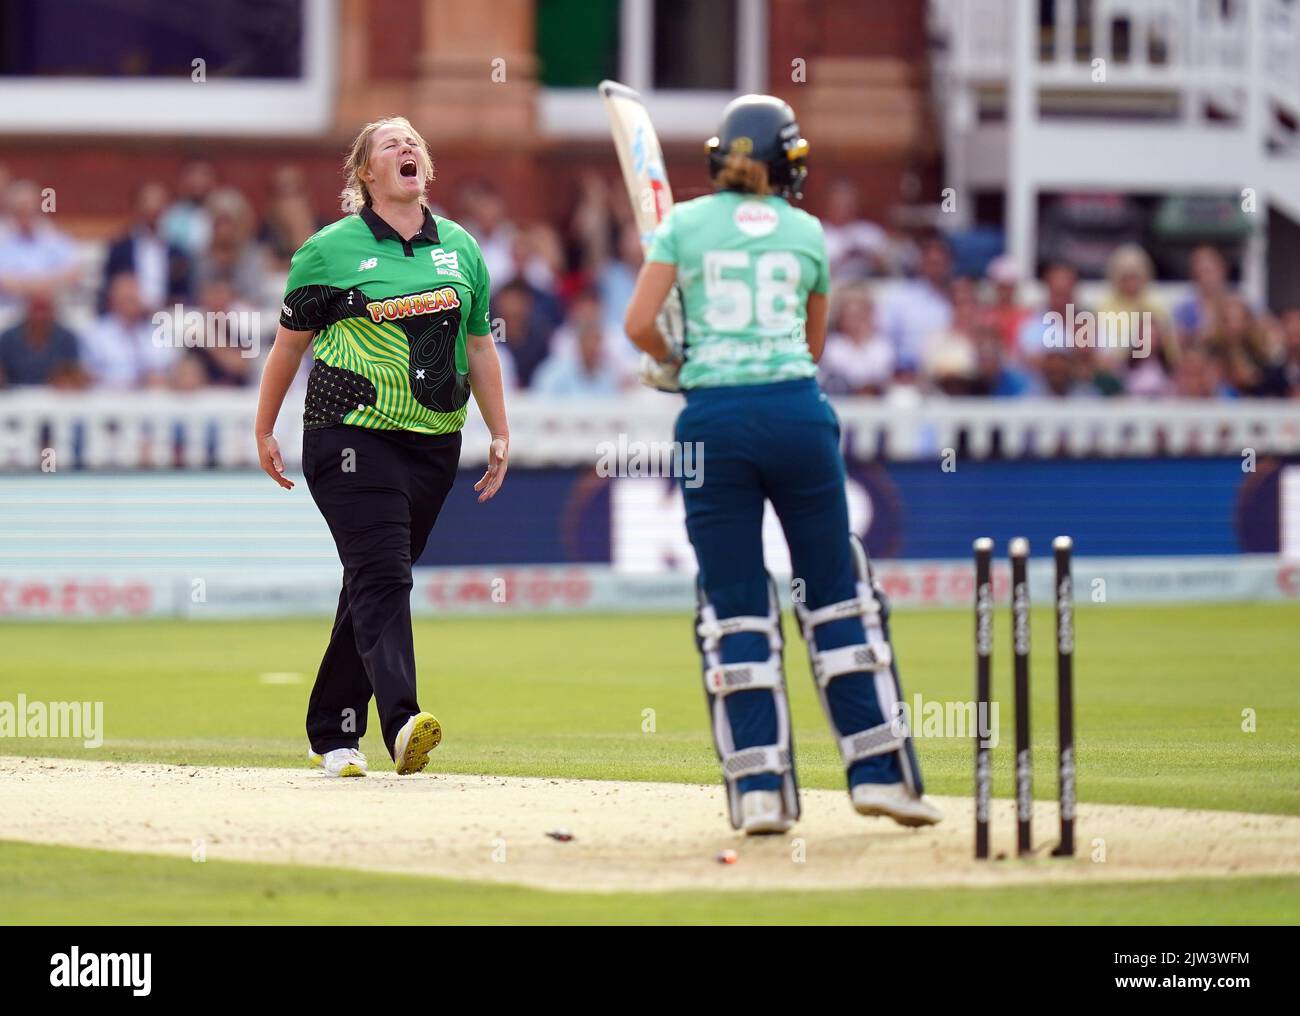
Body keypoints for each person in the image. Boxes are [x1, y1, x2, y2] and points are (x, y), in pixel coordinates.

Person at [623, 94, 942, 835]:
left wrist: (679, 361)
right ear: (784, 164)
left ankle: (761, 789)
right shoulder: (808, 232)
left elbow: (639, 325)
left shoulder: (683, 223)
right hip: (798, 416)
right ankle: (878, 775)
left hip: (712, 425)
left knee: (734, 602)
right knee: (834, 593)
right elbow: (814, 344)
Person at [254, 116, 510, 779]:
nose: (407, 148)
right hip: (348, 435)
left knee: (373, 581)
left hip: (433, 445)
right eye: (390, 143)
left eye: (414, 142)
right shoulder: (327, 250)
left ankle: (331, 731)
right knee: (386, 575)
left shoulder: (460, 248)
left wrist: (500, 429)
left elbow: (479, 345)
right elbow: (289, 346)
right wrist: (263, 427)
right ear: (365, 174)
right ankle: (401, 722)